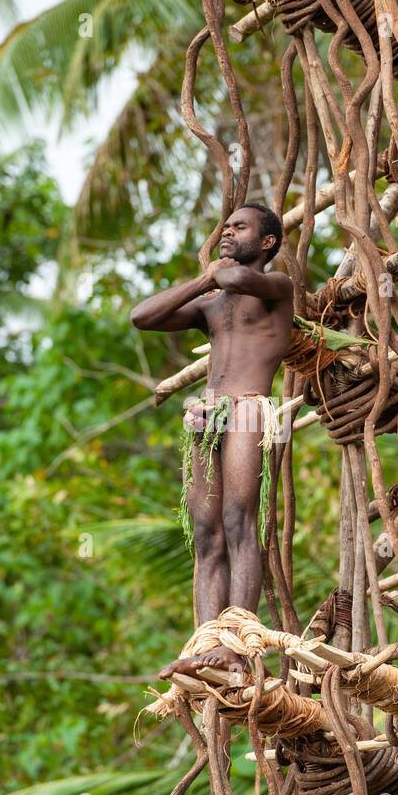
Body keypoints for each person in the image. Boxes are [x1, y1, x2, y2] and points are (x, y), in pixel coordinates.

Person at [131, 203, 294, 676]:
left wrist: (222, 274)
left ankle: (239, 644)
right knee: (206, 533)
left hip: (248, 407)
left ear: (266, 242)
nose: (227, 231)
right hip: (206, 416)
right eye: (225, 227)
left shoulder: (276, 287)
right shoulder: (211, 303)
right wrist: (205, 280)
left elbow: (242, 281)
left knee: (239, 519)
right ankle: (205, 645)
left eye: (239, 227)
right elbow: (142, 317)